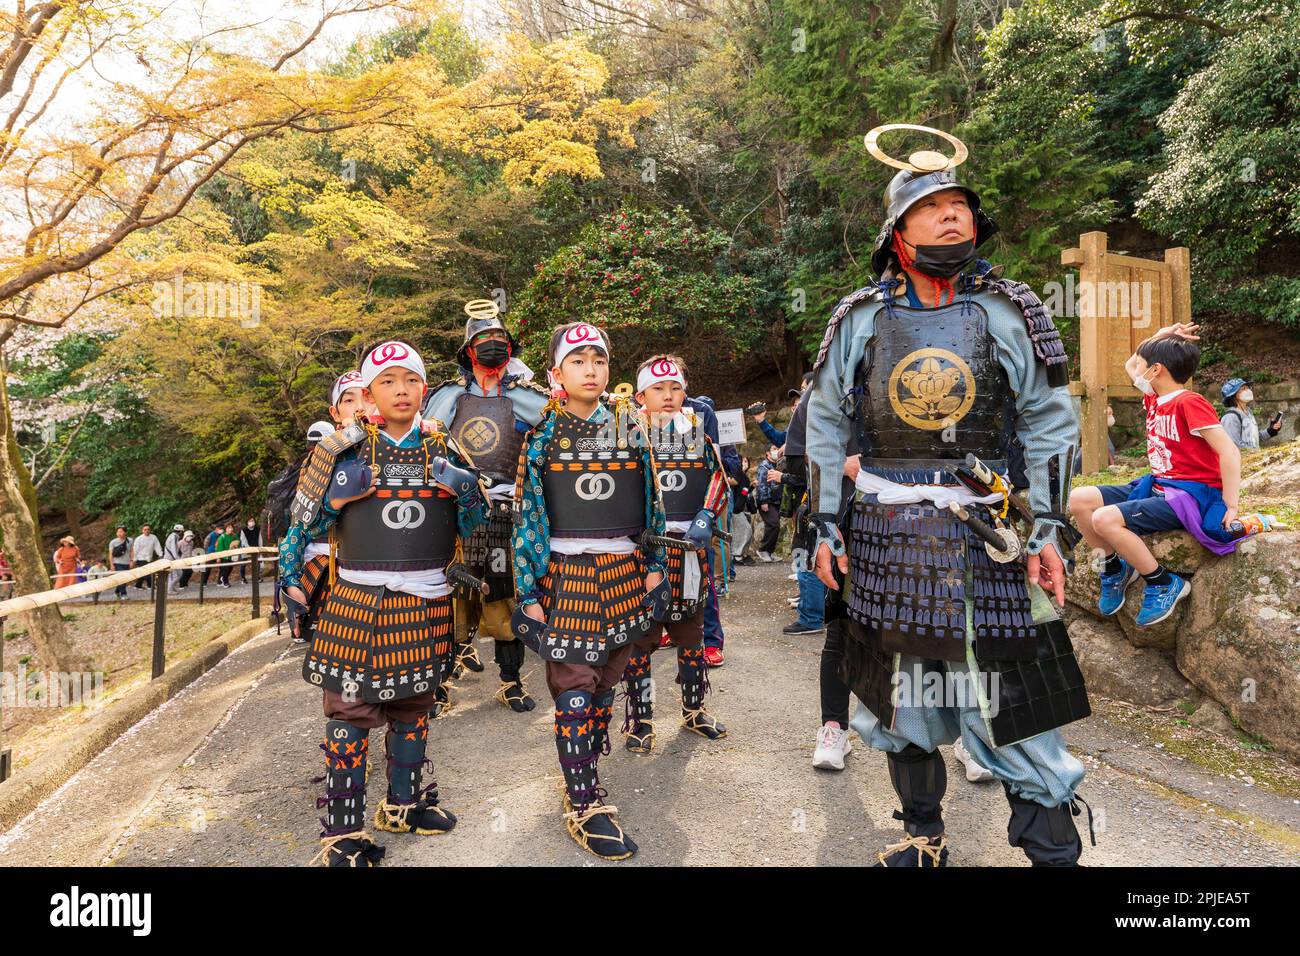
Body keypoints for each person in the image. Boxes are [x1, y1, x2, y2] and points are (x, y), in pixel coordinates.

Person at [806, 130, 1092, 866]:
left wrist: (1051, 528)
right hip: (882, 530)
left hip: (984, 529)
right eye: (933, 206)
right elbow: (828, 423)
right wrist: (825, 527)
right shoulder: (858, 316)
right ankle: (922, 833)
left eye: (962, 203)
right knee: (898, 695)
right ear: (897, 231)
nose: (952, 216)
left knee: (1016, 702)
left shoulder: (1011, 308)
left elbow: (1052, 421)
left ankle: (1055, 855)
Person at [279, 339, 488, 867]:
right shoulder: (339, 450)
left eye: (411, 380)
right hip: (358, 598)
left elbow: (477, 525)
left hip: (427, 598)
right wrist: (334, 502)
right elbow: (300, 526)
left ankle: (404, 803)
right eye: (388, 382)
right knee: (350, 711)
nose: (401, 390)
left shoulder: (444, 447)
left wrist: (465, 493)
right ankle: (341, 833)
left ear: (424, 388)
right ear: (368, 392)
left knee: (414, 703)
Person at [510, 321, 668, 860]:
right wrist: (527, 586)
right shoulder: (541, 437)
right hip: (567, 574)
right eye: (578, 361)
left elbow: (652, 501)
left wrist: (653, 564)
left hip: (623, 573)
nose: (591, 368)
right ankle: (585, 804)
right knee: (574, 689)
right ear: (556, 374)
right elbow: (529, 514)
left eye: (599, 359)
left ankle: (584, 771)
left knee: (606, 682)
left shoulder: (630, 427)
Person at [1069, 325, 1259, 627]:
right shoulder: (1155, 396)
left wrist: (1231, 506)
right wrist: (1162, 333)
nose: (1136, 369)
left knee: (1104, 519)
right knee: (1079, 500)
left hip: (1189, 494)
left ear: (1156, 369)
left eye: (1145, 365)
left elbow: (1230, 453)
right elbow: (1130, 363)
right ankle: (1114, 565)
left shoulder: (1189, 402)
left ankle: (1162, 582)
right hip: (1159, 485)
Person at [423, 299, 550, 715]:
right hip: (457, 513)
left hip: (505, 512)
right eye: (484, 339)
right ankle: (439, 684)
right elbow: (427, 445)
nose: (493, 345)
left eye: (499, 338)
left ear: (510, 348)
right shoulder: (447, 396)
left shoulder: (530, 398)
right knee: (452, 599)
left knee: (503, 596)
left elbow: (555, 436)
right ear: (468, 349)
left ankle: (510, 682)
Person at [621, 355, 729, 755]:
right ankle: (641, 716)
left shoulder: (698, 430)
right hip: (643, 553)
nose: (668, 396)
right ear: (640, 396)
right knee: (641, 640)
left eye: (676, 388)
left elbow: (719, 477)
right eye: (658, 389)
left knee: (691, 635)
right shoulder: (625, 434)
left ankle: (694, 708)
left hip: (689, 549)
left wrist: (705, 514)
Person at [1220, 378, 1282, 451]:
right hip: (1242, 461)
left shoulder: (1248, 412)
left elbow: (1253, 440)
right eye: (1243, 389)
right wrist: (1254, 454)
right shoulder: (1230, 418)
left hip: (1254, 460)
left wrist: (1271, 430)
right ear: (1234, 395)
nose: (1248, 390)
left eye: (1248, 388)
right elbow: (1235, 446)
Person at [754, 444, 783, 561]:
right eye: (774, 449)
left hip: (776, 501)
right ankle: (763, 550)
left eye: (777, 449)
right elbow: (761, 484)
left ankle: (769, 552)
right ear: (768, 453)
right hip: (767, 501)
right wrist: (763, 501)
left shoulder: (778, 466)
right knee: (773, 523)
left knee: (774, 526)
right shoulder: (764, 466)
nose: (776, 451)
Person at [131, 524, 162, 592]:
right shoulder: (138, 539)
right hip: (140, 558)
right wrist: (134, 559)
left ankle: (138, 585)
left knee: (142, 573)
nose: (147, 531)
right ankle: (150, 586)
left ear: (150, 530)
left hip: (149, 558)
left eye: (148, 529)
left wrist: (160, 554)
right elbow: (135, 550)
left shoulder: (153, 537)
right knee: (146, 573)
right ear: (142, 530)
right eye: (145, 529)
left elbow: (157, 546)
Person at [108, 526, 132, 600]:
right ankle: (124, 594)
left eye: (121, 531)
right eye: (118, 532)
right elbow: (110, 554)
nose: (119, 533)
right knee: (122, 577)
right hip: (117, 562)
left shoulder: (130, 540)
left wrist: (131, 561)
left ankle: (117, 592)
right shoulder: (113, 542)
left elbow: (131, 551)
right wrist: (111, 564)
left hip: (126, 562)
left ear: (125, 532)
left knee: (124, 578)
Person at [164, 524, 185, 593]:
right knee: (175, 575)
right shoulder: (173, 537)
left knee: (179, 573)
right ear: (180, 531)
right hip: (170, 559)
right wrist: (178, 559)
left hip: (172, 559)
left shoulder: (174, 536)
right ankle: (169, 590)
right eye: (182, 532)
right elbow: (173, 550)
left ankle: (172, 588)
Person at [238, 517, 260, 583]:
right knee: (243, 564)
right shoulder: (243, 530)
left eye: (252, 520)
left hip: (255, 548)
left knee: (257, 563)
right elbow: (243, 540)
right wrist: (249, 549)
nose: (251, 522)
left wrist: (260, 548)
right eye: (250, 521)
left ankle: (256, 577)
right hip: (245, 549)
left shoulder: (257, 529)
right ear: (247, 522)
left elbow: (260, 539)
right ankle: (243, 578)